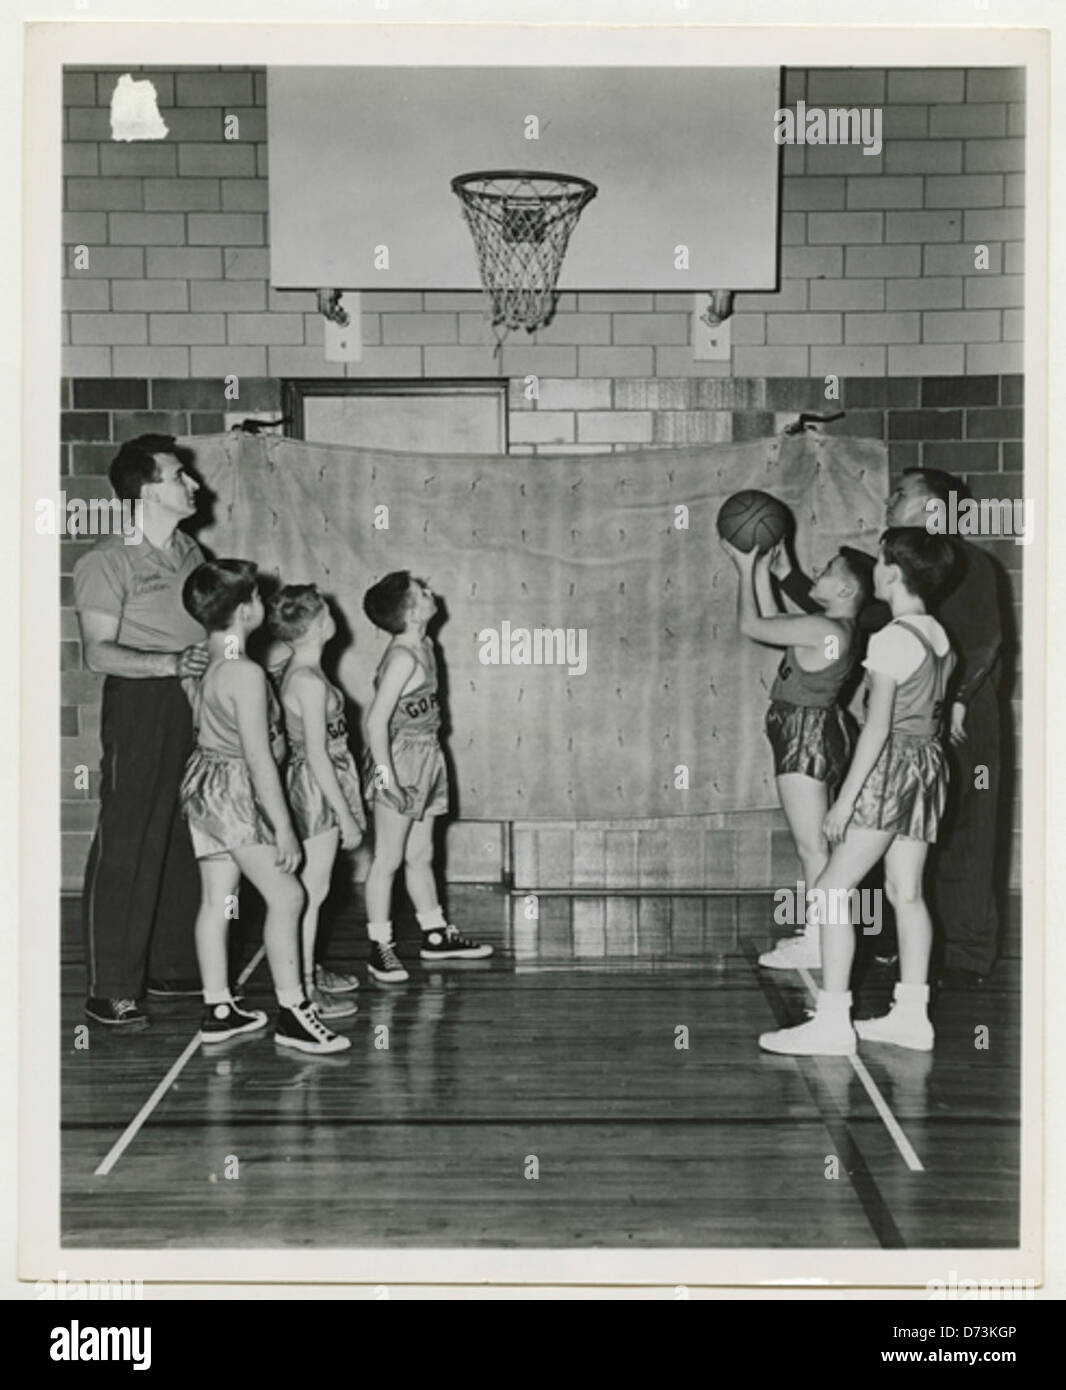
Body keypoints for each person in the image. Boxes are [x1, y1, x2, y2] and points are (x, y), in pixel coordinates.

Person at [779, 468, 1007, 987]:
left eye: (901, 494)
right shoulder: (920, 595)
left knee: (961, 841)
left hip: (951, 723)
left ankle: (963, 956)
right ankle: (906, 984)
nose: (888, 500)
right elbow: (856, 614)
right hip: (925, 732)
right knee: (907, 878)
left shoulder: (969, 564)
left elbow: (988, 642)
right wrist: (789, 574)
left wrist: (954, 700)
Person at [759, 529, 956, 1056]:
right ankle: (912, 1015)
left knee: (828, 891)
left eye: (882, 560)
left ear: (891, 574)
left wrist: (845, 801)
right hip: (930, 765)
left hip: (890, 768)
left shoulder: (892, 638)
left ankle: (832, 1021)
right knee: (906, 893)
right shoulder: (937, 634)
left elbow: (876, 727)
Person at [179, 559, 349, 1054]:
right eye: (255, 596)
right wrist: (285, 829)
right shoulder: (245, 673)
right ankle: (295, 1013)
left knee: (217, 900)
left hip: (205, 783)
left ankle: (219, 1008)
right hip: (234, 791)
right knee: (290, 896)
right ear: (245, 610)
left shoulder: (208, 660)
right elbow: (258, 759)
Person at [75, 435, 208, 1027]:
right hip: (141, 702)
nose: (194, 486)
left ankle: (170, 963)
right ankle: (112, 986)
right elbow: (99, 653)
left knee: (185, 832)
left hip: (194, 701)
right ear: (149, 489)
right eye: (181, 477)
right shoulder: (107, 559)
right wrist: (171, 664)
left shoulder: (192, 554)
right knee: (129, 835)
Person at [722, 540, 872, 970]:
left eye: (828, 569)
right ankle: (817, 936)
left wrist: (745, 567)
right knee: (815, 847)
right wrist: (767, 575)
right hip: (813, 729)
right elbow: (774, 622)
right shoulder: (831, 626)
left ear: (846, 590)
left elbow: (752, 626)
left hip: (805, 733)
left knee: (813, 849)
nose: (818, 573)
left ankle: (817, 943)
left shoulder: (825, 631)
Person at [361, 572, 492, 982]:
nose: (431, 593)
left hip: (427, 754)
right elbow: (374, 722)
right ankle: (379, 945)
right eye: (422, 593)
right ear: (411, 611)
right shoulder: (402, 657)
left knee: (421, 856)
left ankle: (435, 933)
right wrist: (386, 779)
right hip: (399, 760)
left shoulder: (425, 645)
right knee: (387, 859)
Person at [267, 585, 366, 1020]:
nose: (334, 617)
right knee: (312, 892)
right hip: (316, 785)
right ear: (313, 627)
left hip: (323, 778)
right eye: (327, 612)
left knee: (314, 891)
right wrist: (345, 815)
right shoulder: (306, 681)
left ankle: (308, 973)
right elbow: (318, 755)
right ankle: (304, 990)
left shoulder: (302, 667)